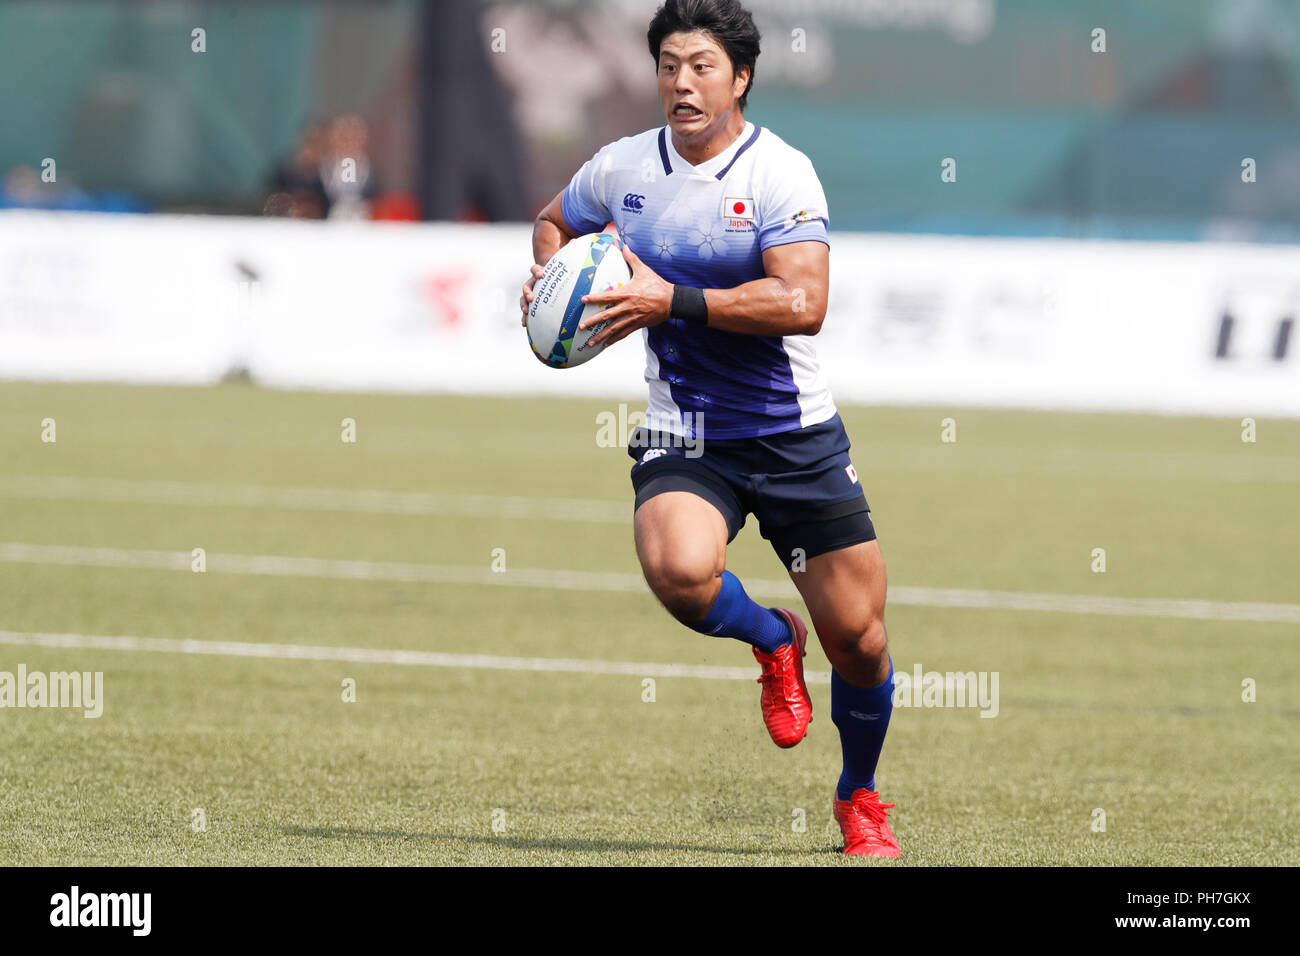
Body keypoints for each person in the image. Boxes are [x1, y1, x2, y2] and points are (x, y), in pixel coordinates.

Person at [519, 0, 899, 857]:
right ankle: (772, 639)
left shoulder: (780, 175)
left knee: (861, 641)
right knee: (680, 571)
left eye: (700, 67)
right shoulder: (621, 168)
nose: (681, 83)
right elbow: (553, 221)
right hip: (685, 430)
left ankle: (860, 795)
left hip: (792, 435)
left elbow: (804, 303)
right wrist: (553, 281)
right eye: (667, 67)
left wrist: (672, 300)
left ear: (741, 78)